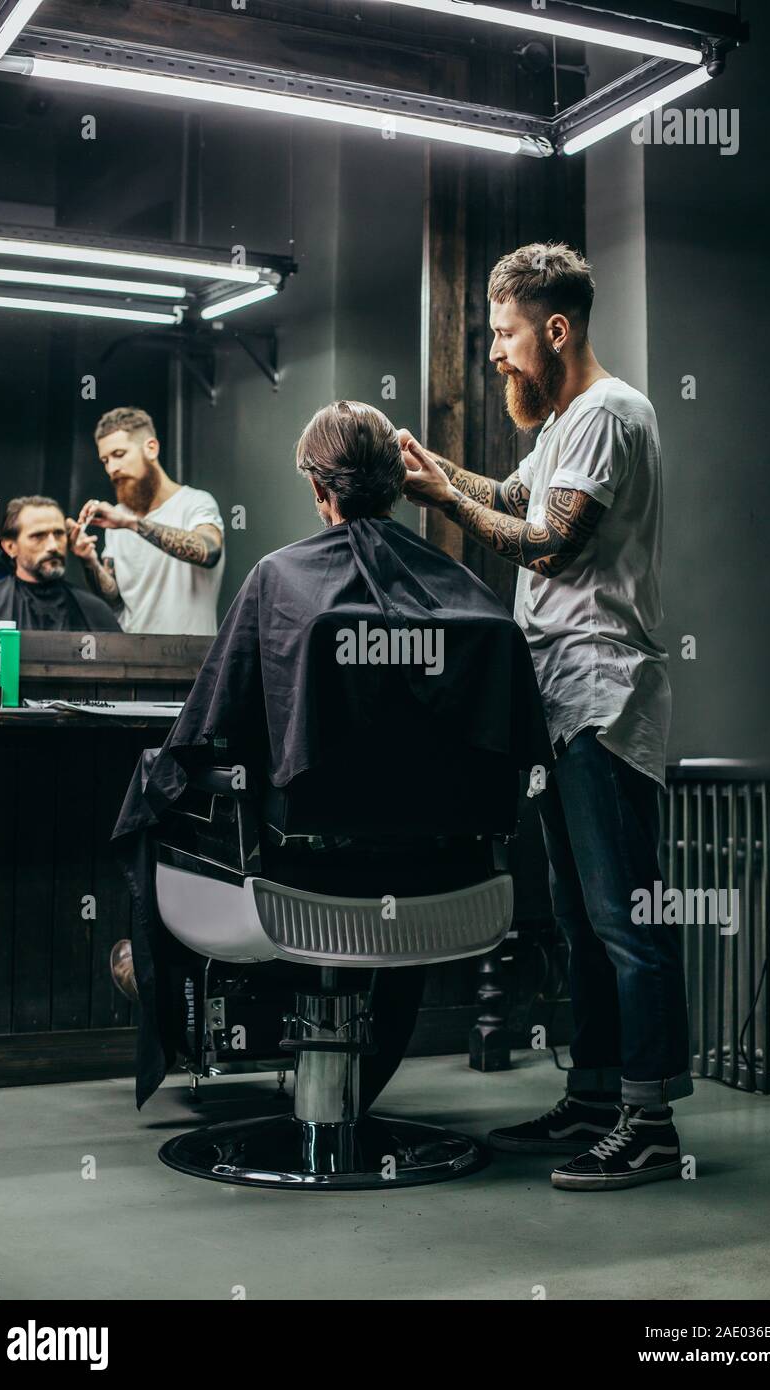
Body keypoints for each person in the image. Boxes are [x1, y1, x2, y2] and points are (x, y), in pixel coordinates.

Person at [109, 400, 551, 1110]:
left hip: (302, 886)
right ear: (395, 483)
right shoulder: (471, 602)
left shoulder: (281, 581)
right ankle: (353, 1089)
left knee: (156, 799)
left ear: (319, 492)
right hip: (448, 884)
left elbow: (207, 730)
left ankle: (153, 974)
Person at [401, 242, 692, 1192]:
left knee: (624, 920)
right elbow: (517, 497)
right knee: (578, 918)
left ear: (555, 330)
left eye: (505, 335)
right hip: (563, 702)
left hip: (605, 698)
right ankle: (600, 1096)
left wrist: (445, 501)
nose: (494, 354)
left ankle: (649, 1124)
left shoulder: (610, 413)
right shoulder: (565, 422)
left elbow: (551, 545)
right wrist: (430, 468)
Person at [69, 407, 225, 635]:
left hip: (193, 660)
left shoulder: (195, 503)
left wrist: (131, 523)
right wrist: (89, 561)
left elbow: (209, 551)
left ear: (151, 448)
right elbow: (114, 601)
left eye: (119, 454)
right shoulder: (118, 518)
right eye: (105, 460)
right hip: (133, 660)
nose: (112, 468)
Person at [0, 495, 120, 631]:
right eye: (38, 536)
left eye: (58, 533)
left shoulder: (94, 611)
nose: (53, 546)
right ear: (10, 547)